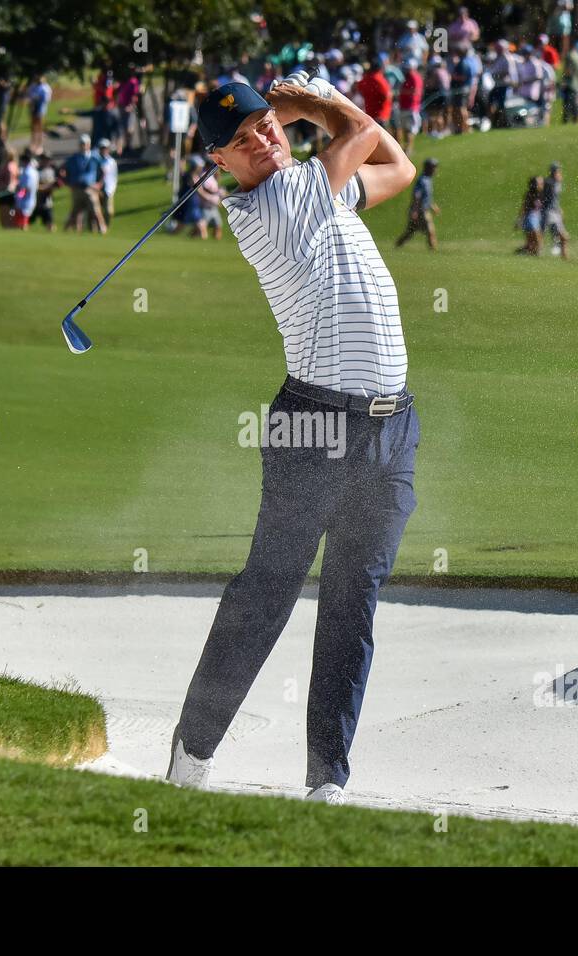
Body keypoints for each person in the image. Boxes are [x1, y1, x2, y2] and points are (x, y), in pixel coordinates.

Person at [166, 76, 418, 806]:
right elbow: (364, 132)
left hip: (390, 427)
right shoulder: (279, 201)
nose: (262, 141)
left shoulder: (317, 194)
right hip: (315, 425)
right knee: (268, 592)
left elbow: (396, 170)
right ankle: (193, 749)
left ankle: (327, 779)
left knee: (353, 600)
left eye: (264, 126)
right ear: (222, 165)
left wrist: (307, 113)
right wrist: (313, 102)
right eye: (243, 140)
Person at [61, 133, 105, 233]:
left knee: (95, 211)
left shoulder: (94, 157)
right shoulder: (74, 158)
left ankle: (102, 229)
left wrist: (99, 184)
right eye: (81, 143)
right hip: (77, 188)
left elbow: (103, 171)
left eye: (85, 143)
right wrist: (68, 182)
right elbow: (63, 169)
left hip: (90, 188)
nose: (83, 146)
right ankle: (67, 231)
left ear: (89, 144)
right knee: (74, 212)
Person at [395, 157, 440, 250]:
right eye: (433, 167)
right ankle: (433, 251)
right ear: (428, 168)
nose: (435, 169)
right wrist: (415, 211)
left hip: (424, 210)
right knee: (430, 231)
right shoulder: (422, 180)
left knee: (410, 231)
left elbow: (426, 197)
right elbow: (417, 196)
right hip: (421, 211)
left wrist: (433, 206)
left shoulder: (428, 180)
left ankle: (398, 245)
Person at [542, 161, 570, 258]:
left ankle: (563, 254)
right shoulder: (549, 182)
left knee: (563, 235)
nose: (558, 172)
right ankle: (555, 244)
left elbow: (555, 199)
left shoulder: (558, 183)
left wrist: (559, 209)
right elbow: (546, 198)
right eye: (556, 171)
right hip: (549, 210)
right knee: (551, 230)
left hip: (555, 210)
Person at [516, 175, 544, 254]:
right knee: (534, 236)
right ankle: (536, 251)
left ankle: (531, 251)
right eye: (540, 183)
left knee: (531, 242)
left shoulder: (541, 194)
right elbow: (524, 207)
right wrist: (519, 220)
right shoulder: (530, 194)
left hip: (536, 217)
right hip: (530, 218)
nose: (542, 185)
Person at [27, 75, 52, 154]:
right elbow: (30, 96)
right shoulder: (33, 86)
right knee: (33, 127)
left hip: (41, 109)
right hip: (33, 108)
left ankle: (39, 145)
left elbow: (46, 99)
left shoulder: (45, 87)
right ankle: (33, 144)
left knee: (40, 127)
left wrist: (37, 98)